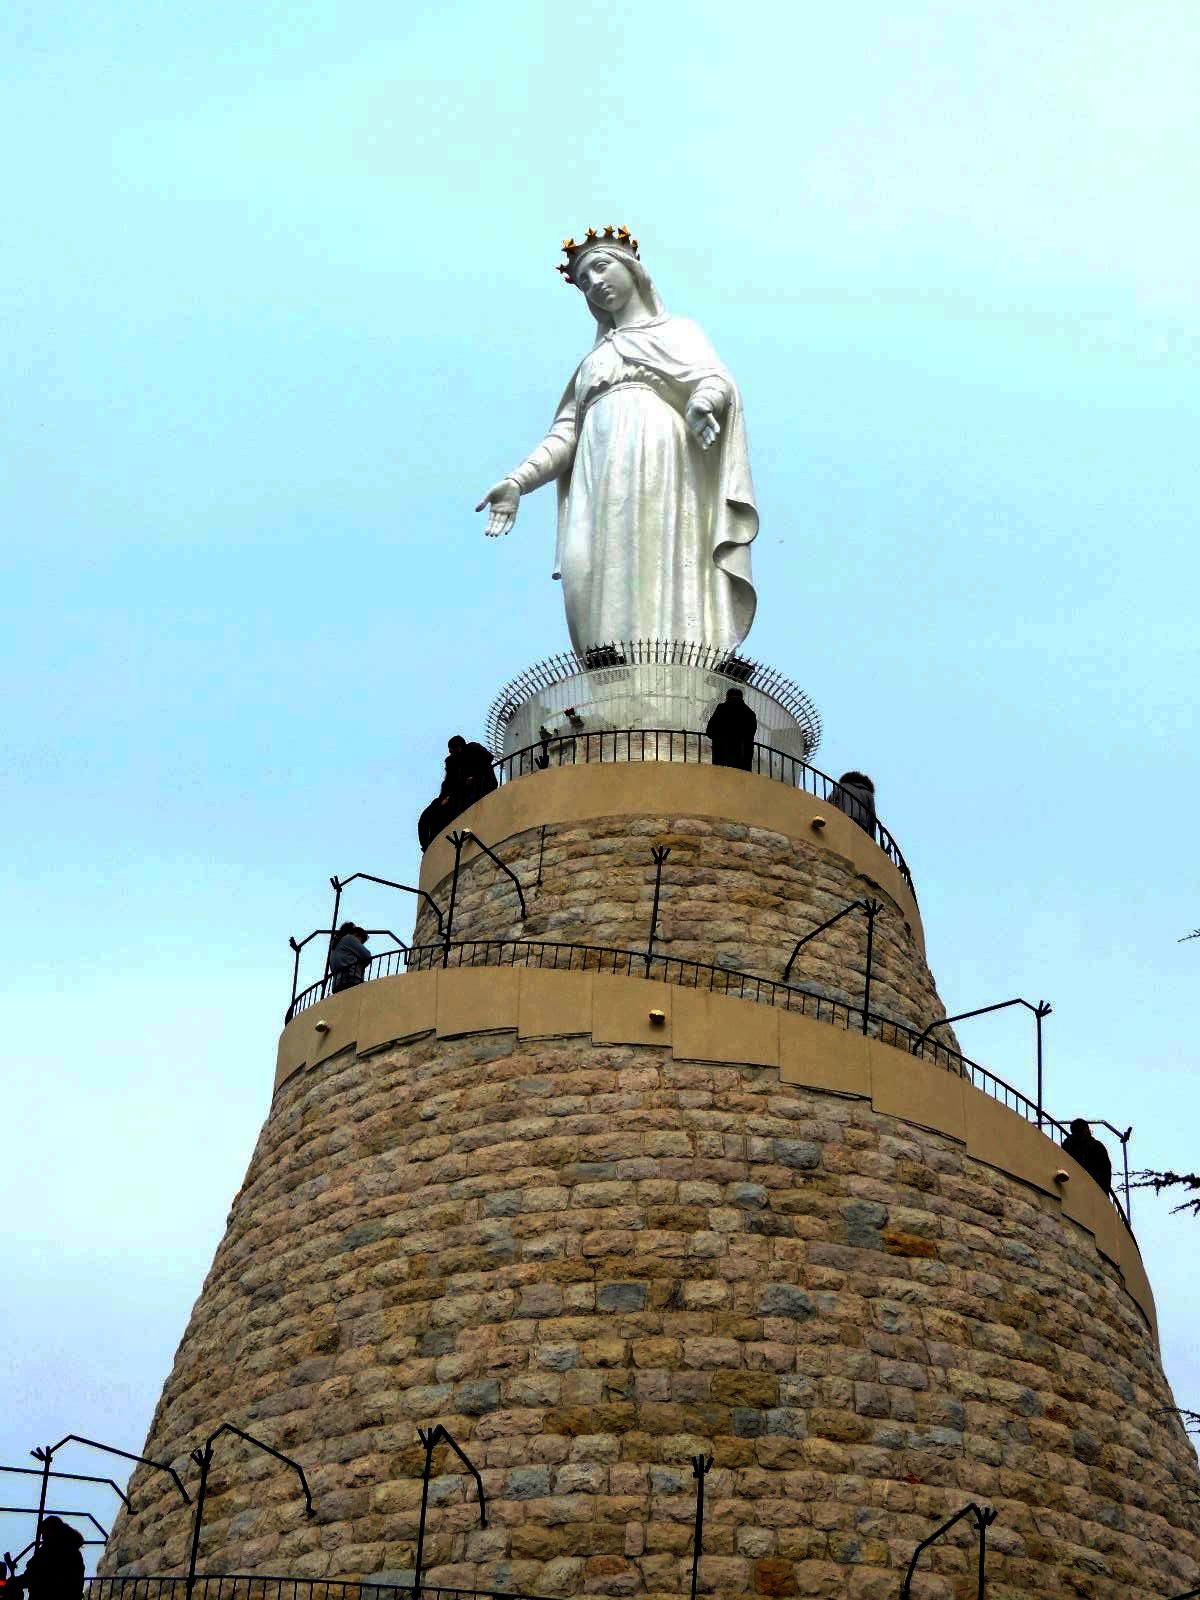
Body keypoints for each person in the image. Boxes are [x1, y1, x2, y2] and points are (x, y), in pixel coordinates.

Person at [475, 227, 759, 654]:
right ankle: (608, 658)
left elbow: (714, 379)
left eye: (601, 267)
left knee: (655, 551)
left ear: (632, 270)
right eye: (584, 282)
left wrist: (702, 402)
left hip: (658, 457)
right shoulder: (594, 361)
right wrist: (518, 481)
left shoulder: (678, 331)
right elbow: (565, 433)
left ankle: (671, 654)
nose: (595, 283)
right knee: (585, 566)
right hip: (597, 472)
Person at [8, 1516, 84, 1600]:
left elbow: (33, 1575)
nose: (42, 1537)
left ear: (50, 1531)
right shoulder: (74, 1551)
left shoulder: (49, 1550)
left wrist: (13, 1582)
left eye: (43, 1532)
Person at [705, 687, 758, 770]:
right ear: (742, 697)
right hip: (743, 760)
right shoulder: (750, 713)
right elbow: (751, 734)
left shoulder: (722, 708)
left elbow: (710, 731)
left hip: (722, 756)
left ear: (727, 696)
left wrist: (718, 739)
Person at [1062, 1119, 1112, 1194]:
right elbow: (1106, 1169)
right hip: (1094, 1187)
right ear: (1086, 1129)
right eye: (1088, 1128)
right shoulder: (1096, 1145)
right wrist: (1105, 1190)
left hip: (1071, 1186)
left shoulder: (1067, 1145)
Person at [830, 771, 878, 838]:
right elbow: (872, 816)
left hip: (843, 816)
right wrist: (872, 836)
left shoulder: (842, 786)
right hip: (862, 823)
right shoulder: (868, 793)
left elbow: (831, 800)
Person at [328, 923, 370, 992]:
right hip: (351, 979)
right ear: (356, 934)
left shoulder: (335, 945)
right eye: (361, 942)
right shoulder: (349, 938)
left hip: (336, 983)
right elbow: (367, 956)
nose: (360, 944)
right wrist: (362, 963)